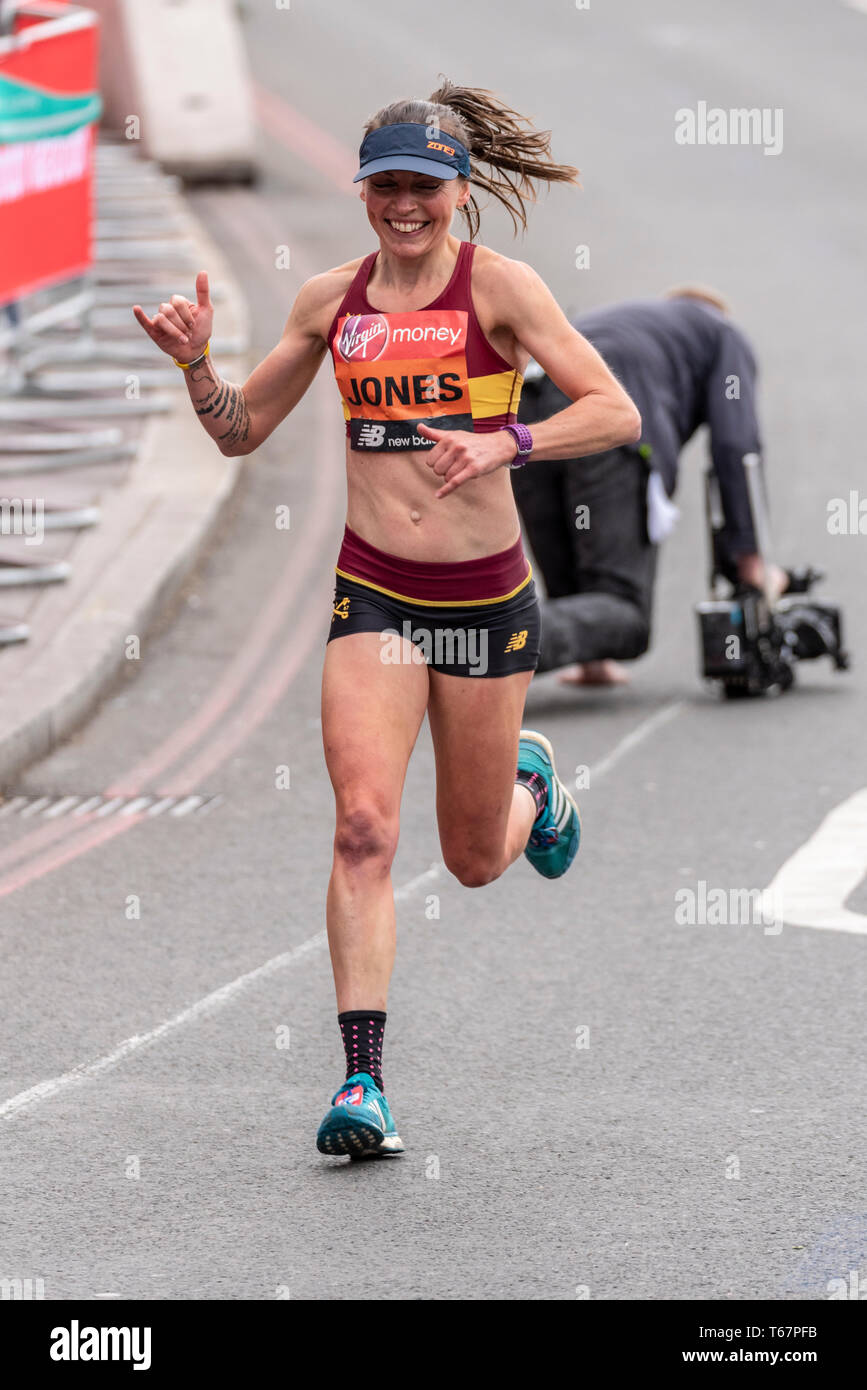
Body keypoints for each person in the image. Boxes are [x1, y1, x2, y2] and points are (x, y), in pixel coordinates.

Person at [132, 79, 641, 1159]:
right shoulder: (332, 302)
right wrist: (193, 367)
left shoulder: (500, 291)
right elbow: (239, 431)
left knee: (470, 859)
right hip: (377, 595)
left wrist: (508, 443)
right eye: (384, 186)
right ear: (363, 191)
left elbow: (614, 409)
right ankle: (362, 1082)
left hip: (486, 603)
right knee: (364, 827)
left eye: (422, 185)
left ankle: (529, 788)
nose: (402, 204)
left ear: (457, 190)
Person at [512, 288, 791, 685]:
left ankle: (584, 658)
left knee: (572, 580)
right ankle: (490, 646)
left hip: (526, 408)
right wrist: (751, 563)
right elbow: (736, 445)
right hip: (604, 415)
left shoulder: (638, 319)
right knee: (624, 610)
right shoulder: (723, 332)